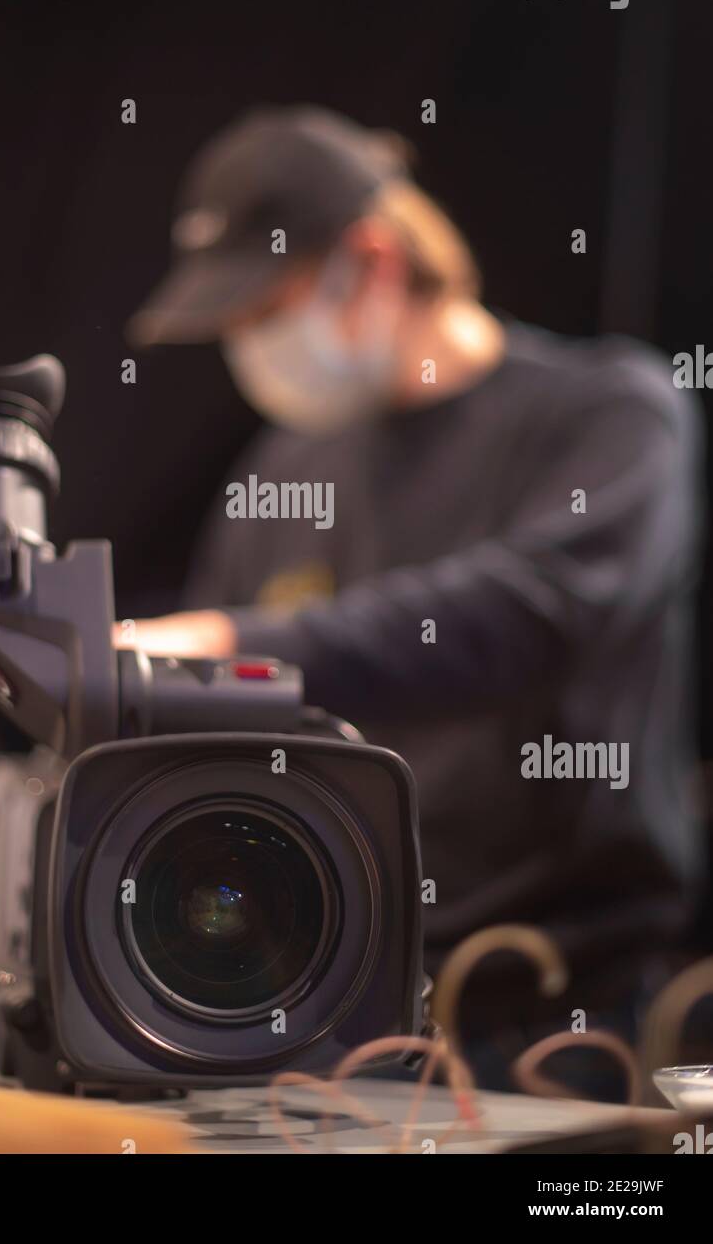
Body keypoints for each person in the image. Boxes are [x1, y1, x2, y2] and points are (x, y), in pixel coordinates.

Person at [118, 105, 707, 1093]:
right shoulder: (285, 468)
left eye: (267, 310)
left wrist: (229, 639)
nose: (251, 347)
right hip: (323, 1020)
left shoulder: (608, 415)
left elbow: (531, 612)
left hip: (560, 1022)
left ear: (374, 261)